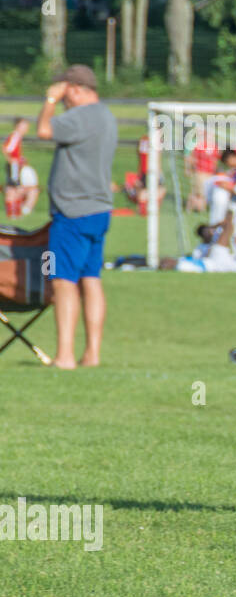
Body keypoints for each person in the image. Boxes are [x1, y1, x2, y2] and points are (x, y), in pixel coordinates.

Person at [34, 64, 116, 370]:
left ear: (77, 89)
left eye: (65, 92)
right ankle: (92, 353)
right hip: (99, 209)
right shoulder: (107, 115)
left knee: (62, 280)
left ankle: (65, 356)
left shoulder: (79, 116)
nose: (64, 99)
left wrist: (50, 101)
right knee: (91, 278)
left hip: (72, 211)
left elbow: (43, 130)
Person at [4, 118, 40, 218]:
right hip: (14, 167)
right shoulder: (15, 136)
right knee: (15, 187)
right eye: (24, 126)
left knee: (17, 186)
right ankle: (14, 212)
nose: (26, 129)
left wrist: (21, 159)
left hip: (17, 165)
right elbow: (7, 149)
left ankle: (17, 211)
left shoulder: (17, 137)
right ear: (18, 126)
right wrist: (13, 161)